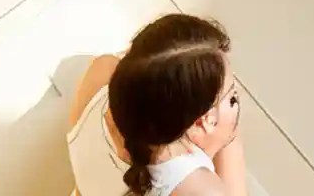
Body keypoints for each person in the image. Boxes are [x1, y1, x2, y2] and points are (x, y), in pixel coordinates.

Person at [67, 14, 248, 196]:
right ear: (201, 122)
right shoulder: (200, 189)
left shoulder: (100, 72)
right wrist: (217, 141)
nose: (238, 94)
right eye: (232, 96)